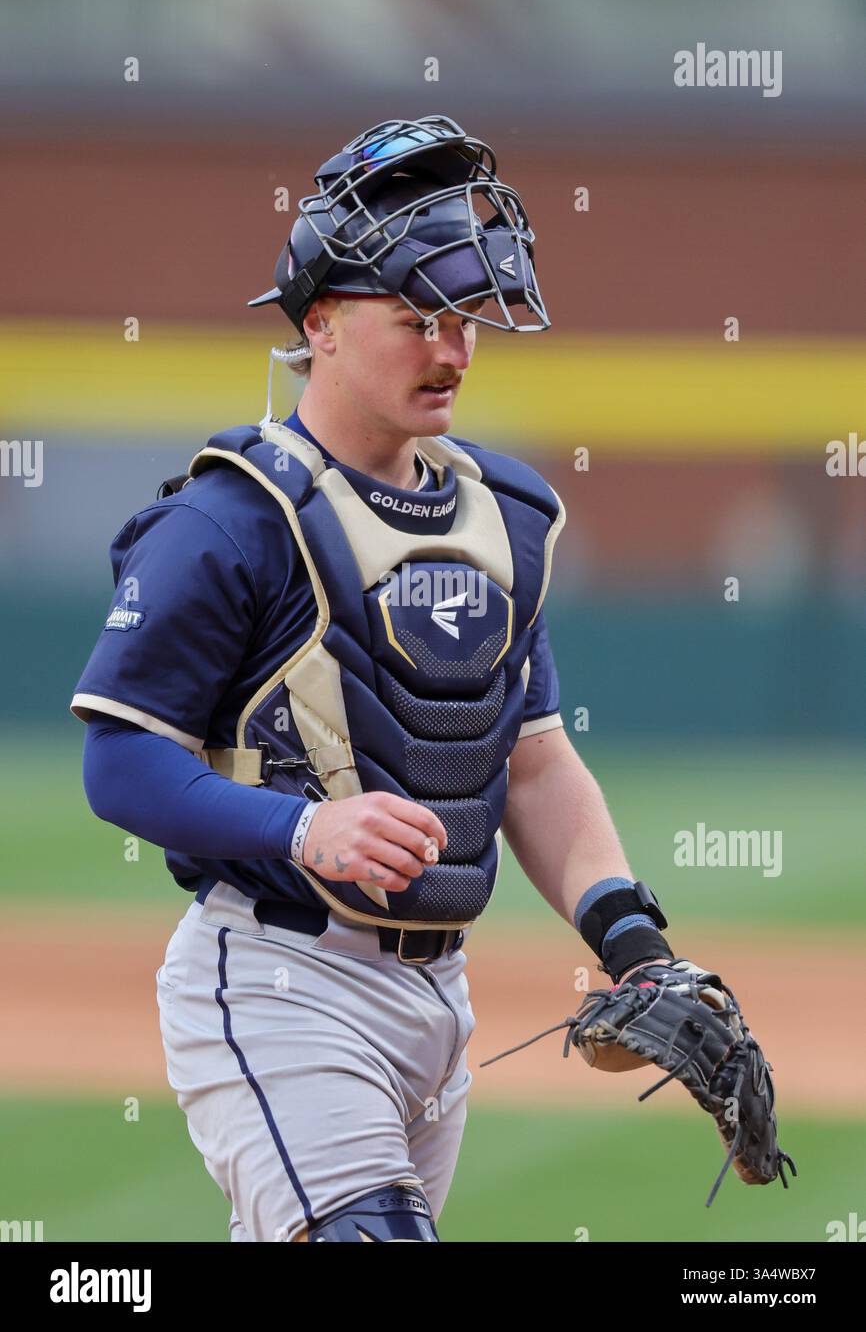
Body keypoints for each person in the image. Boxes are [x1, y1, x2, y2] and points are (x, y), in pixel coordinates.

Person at [72, 116, 682, 1242]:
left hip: (437, 1002)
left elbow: (534, 764)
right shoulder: (229, 521)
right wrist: (304, 830)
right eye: (416, 319)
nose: (450, 349)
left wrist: (630, 938)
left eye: (463, 319)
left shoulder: (497, 521)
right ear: (321, 324)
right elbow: (117, 761)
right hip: (277, 980)